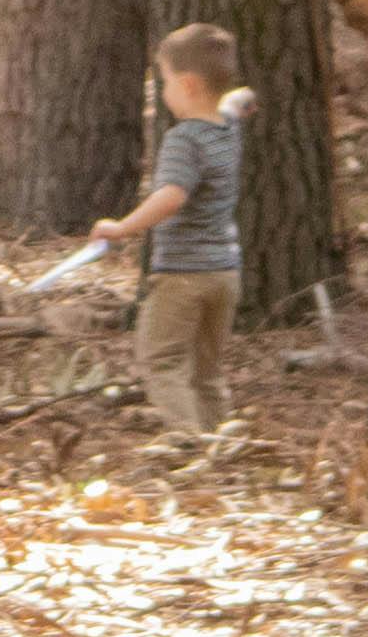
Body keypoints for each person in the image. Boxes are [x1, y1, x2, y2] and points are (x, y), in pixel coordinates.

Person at [90, 25, 251, 438]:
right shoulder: (227, 128)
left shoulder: (184, 140)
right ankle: (220, 437)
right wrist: (240, 96)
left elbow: (172, 197)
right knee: (206, 370)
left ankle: (189, 441)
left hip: (183, 275)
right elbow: (239, 100)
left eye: (164, 83)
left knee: (160, 360)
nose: (162, 93)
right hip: (224, 274)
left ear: (190, 84)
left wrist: (123, 227)